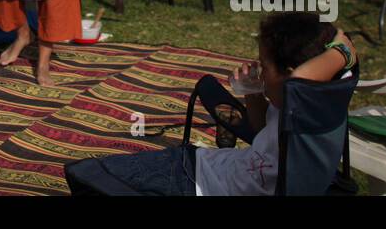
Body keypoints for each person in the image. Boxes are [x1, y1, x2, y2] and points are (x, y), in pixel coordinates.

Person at [67, 12, 356, 195]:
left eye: (265, 66)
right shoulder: (311, 103)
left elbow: (301, 78)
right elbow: (261, 133)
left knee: (86, 175)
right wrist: (253, 92)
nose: (258, 68)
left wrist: (345, 51)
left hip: (194, 178)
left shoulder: (302, 100)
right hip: (211, 166)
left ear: (291, 76)